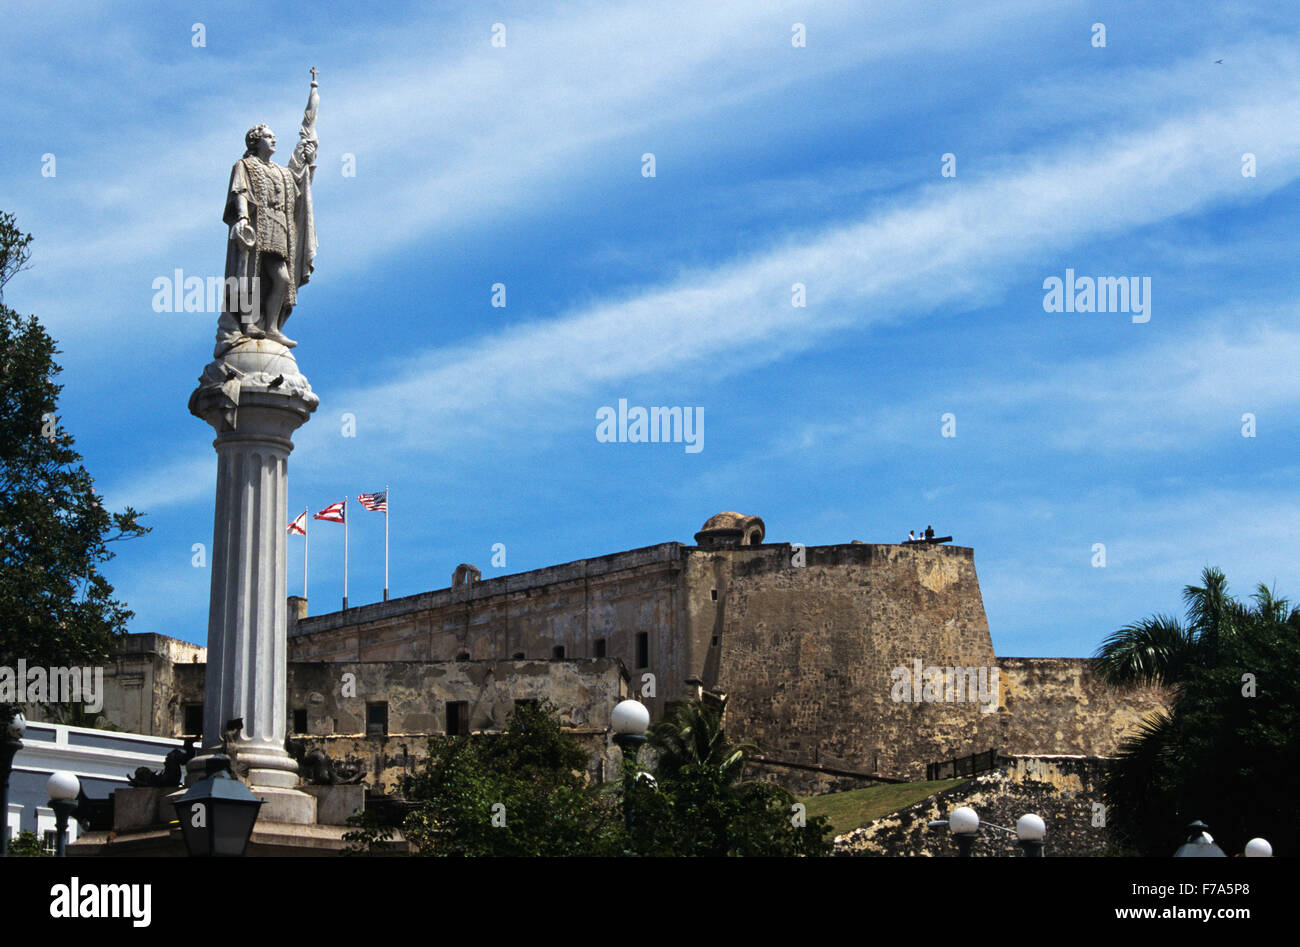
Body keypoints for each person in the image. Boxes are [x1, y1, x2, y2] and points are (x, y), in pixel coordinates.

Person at [215, 74, 318, 357]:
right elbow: (240, 193)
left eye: (273, 137)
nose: (274, 140)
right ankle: (248, 323)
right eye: (269, 137)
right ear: (256, 141)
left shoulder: (281, 172)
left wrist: (307, 153)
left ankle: (271, 326)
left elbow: (297, 177)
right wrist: (243, 219)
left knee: (282, 279)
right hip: (255, 232)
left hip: (280, 230)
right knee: (250, 277)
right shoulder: (244, 165)